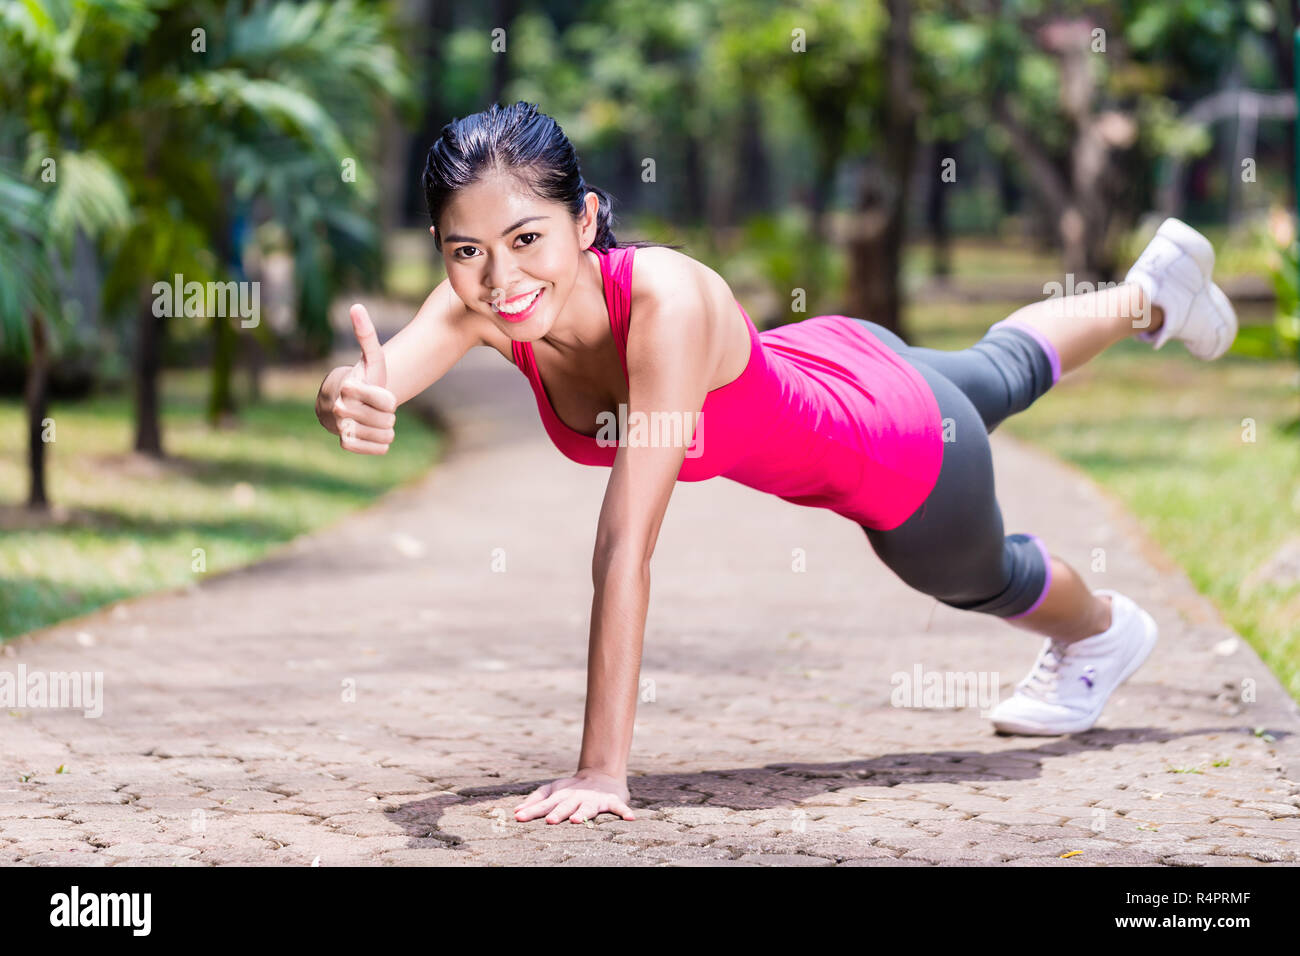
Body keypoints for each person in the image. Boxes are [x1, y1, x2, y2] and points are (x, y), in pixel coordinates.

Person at [314, 102, 1238, 826]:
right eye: (465, 251)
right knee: (992, 370)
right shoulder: (482, 297)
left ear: (586, 219)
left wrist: (602, 770)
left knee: (980, 573)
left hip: (899, 459)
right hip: (838, 358)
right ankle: (1147, 297)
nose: (500, 279)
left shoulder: (666, 304)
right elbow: (377, 379)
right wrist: (342, 395)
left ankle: (1102, 630)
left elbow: (626, 545)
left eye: (526, 241)